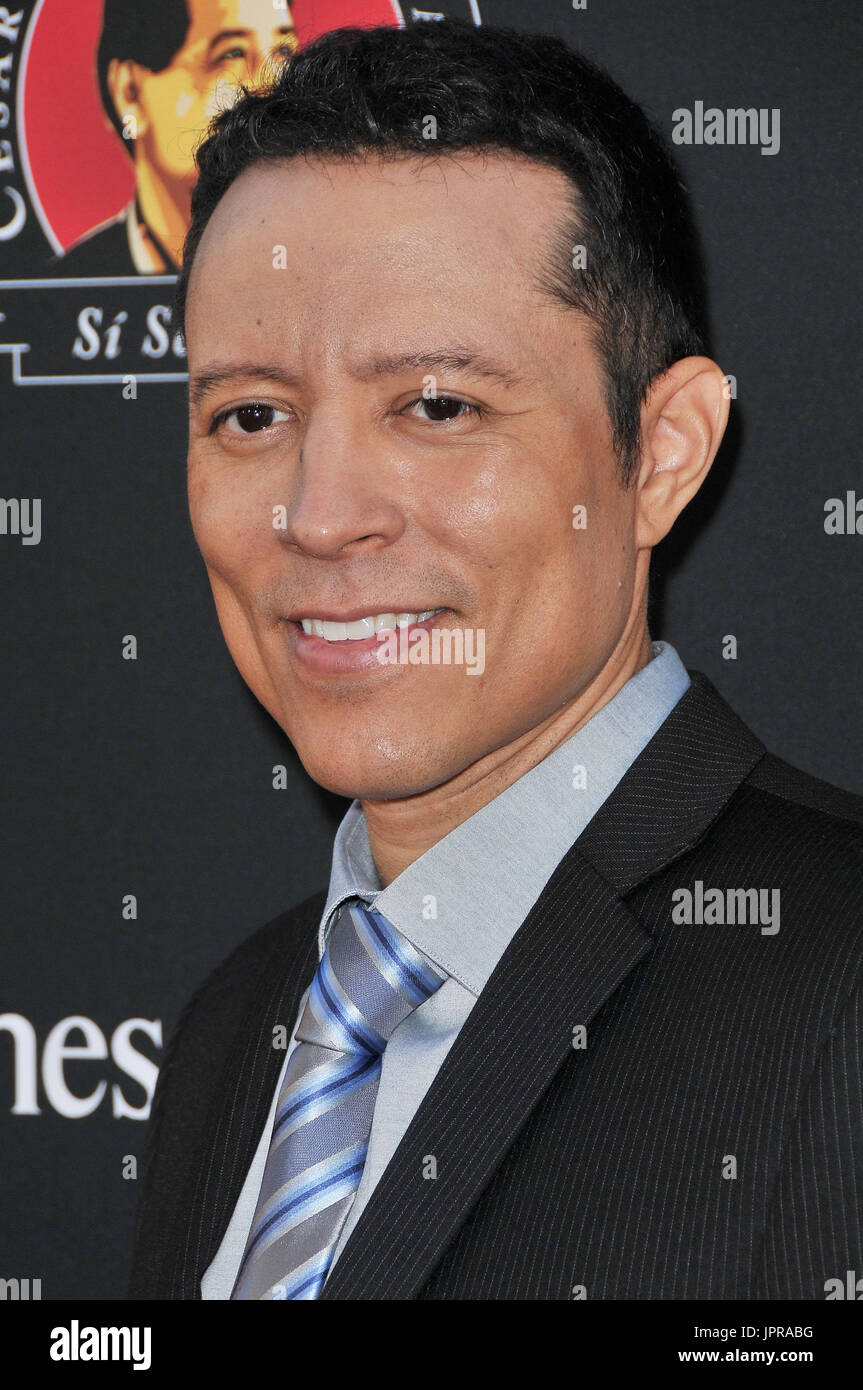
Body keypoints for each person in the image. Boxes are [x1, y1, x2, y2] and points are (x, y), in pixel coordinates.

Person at [129, 20, 863, 1300]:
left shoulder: (842, 993)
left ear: (665, 452)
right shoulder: (232, 1031)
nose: (320, 510)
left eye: (436, 407)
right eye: (251, 415)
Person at [52, 0, 297, 276]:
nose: (272, 89)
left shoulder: (313, 262)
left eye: (284, 52)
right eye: (232, 54)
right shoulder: (64, 289)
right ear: (130, 92)